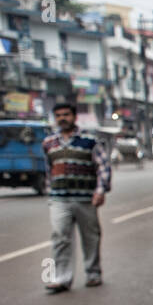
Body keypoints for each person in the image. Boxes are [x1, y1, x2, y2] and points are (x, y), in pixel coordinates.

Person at [43, 101, 110, 293]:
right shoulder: (49, 143)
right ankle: (61, 278)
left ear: (74, 116)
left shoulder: (89, 140)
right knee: (59, 237)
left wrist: (100, 190)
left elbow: (103, 167)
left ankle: (93, 274)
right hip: (59, 200)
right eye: (59, 115)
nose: (62, 118)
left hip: (85, 199)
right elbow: (49, 171)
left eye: (66, 114)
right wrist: (50, 193)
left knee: (91, 237)